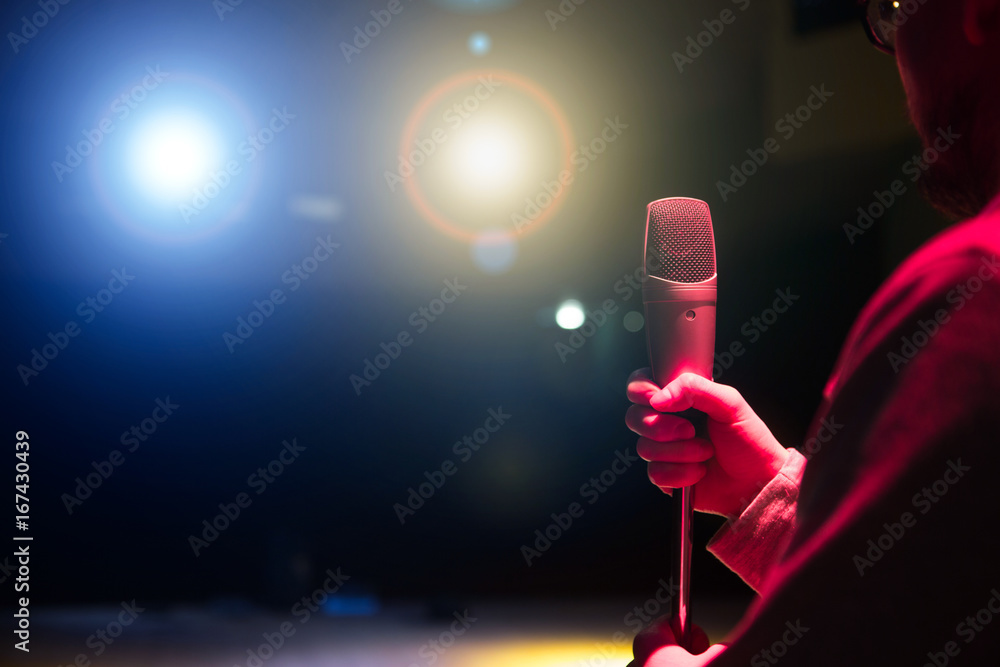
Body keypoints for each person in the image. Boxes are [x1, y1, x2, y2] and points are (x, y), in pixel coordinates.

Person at [625, 1, 1000, 664]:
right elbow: (918, 610)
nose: (890, 48)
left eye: (894, 9)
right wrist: (762, 492)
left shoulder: (976, 288)